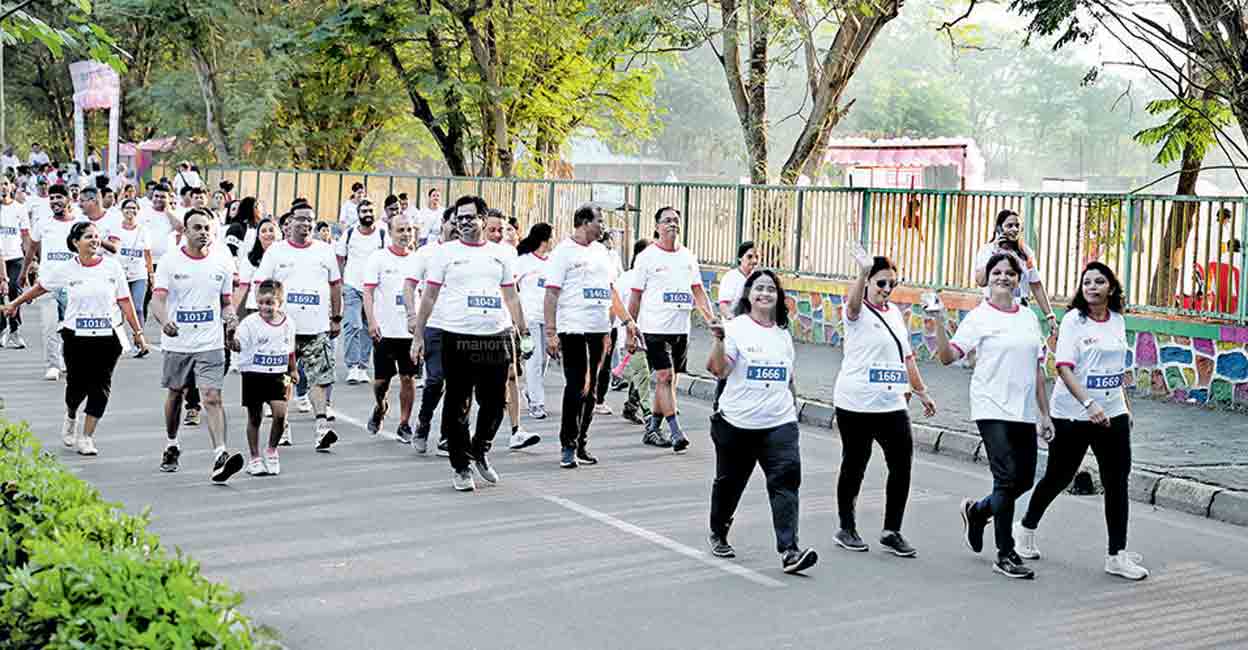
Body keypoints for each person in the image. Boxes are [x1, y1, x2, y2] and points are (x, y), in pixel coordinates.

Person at [1015, 262, 1148, 580]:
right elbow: (1063, 367)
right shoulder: (1074, 321)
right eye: (1086, 282)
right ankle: (1026, 528)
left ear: (1111, 288)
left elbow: (1117, 370)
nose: (1091, 286)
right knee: (1059, 477)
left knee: (1117, 482)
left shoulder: (1117, 320)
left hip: (1111, 412)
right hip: (1073, 414)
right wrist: (1087, 404)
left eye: (1099, 281)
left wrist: (1124, 407)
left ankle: (1116, 554)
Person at [929, 252, 1054, 579]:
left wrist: (1045, 414)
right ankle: (1005, 553)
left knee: (1025, 478)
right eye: (997, 272)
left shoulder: (1027, 317)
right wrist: (939, 322)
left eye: (1010, 273)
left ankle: (978, 510)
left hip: (1023, 409)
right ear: (988, 278)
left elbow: (1038, 368)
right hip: (990, 406)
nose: (1003, 277)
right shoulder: (979, 317)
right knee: (1007, 478)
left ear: (1018, 280)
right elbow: (946, 357)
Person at [407, 195, 527, 491]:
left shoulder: (502, 254)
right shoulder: (445, 253)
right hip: (457, 336)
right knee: (458, 403)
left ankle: (480, 450)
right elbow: (430, 296)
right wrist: (418, 335)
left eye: (469, 217)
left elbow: (510, 294)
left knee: (496, 403)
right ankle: (461, 466)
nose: (463, 223)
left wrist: (521, 328)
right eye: (459, 218)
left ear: (483, 220)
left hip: (495, 336)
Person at [705, 268, 818, 575]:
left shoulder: (783, 334)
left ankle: (790, 551)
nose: (765, 293)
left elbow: (788, 378)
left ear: (779, 297)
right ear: (748, 295)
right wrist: (718, 340)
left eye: (771, 289)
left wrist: (792, 411)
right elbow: (719, 370)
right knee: (729, 484)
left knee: (786, 481)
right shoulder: (735, 328)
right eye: (759, 288)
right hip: (737, 425)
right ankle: (719, 530)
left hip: (779, 424)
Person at [2, 222, 147, 455]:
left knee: (101, 386)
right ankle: (71, 416)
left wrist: (138, 332)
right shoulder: (66, 269)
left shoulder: (112, 268)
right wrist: (14, 304)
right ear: (75, 242)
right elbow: (41, 288)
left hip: (108, 336)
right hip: (75, 336)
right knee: (77, 387)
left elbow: (124, 300)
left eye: (97, 236)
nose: (94, 241)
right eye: (88, 237)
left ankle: (87, 437)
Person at [831, 247, 938, 557]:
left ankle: (892, 530)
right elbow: (852, 305)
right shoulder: (855, 311)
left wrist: (921, 391)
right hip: (856, 403)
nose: (887, 290)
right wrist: (862, 271)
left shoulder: (894, 313)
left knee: (902, 464)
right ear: (867, 282)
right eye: (881, 283)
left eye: (892, 283)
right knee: (855, 464)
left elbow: (906, 355)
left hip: (891, 403)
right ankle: (846, 527)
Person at [151, 208, 246, 483]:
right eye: (197, 228)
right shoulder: (170, 261)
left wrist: (230, 319)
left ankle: (220, 454)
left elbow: (226, 303)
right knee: (175, 394)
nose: (203, 232)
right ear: (185, 231)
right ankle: (171, 443)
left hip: (210, 341)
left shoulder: (221, 263)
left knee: (212, 397)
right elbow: (158, 299)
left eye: (207, 228)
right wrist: (164, 320)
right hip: (178, 342)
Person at [246, 201, 343, 452]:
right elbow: (261, 284)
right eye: (301, 219)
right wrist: (265, 316)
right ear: (289, 224)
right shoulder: (276, 252)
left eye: (311, 219)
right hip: (282, 328)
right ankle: (283, 425)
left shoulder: (324, 250)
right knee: (283, 378)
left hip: (317, 327)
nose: (307, 224)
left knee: (319, 378)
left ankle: (321, 429)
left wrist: (337, 317)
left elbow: (335, 285)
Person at [545, 204, 636, 468]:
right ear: (584, 222)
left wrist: (628, 321)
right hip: (573, 328)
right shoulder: (563, 252)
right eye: (600, 221)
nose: (603, 226)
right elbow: (551, 293)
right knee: (577, 386)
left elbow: (611, 292)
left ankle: (581, 441)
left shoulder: (603, 253)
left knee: (592, 390)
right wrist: (551, 332)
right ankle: (567, 444)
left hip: (600, 329)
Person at [627, 206, 717, 453]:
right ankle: (676, 432)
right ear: (657, 227)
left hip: (681, 329)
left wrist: (710, 319)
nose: (672, 224)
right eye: (667, 220)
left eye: (676, 220)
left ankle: (652, 428)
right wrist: (630, 328)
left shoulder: (688, 256)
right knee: (664, 377)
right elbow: (635, 296)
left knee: (669, 381)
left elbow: (698, 291)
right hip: (654, 328)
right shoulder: (646, 257)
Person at [484, 209, 539, 451]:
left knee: (512, 376)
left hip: (504, 326)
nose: (497, 235)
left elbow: (512, 295)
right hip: (475, 329)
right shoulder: (470, 252)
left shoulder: (508, 253)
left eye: (501, 230)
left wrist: (522, 328)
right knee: (481, 387)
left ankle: (516, 430)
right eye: (492, 230)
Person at [362, 211, 420, 442]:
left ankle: (405, 423)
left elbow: (424, 293)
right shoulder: (378, 258)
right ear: (391, 233)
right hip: (384, 330)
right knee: (381, 382)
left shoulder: (418, 259)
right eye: (400, 230)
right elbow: (368, 292)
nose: (405, 234)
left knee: (408, 378)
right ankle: (380, 406)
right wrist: (372, 321)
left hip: (409, 332)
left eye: (409, 230)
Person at [229, 280, 296, 476]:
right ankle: (255, 457)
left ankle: (272, 450)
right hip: (254, 373)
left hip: (279, 374)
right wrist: (230, 339)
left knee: (280, 414)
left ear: (279, 302)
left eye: (270, 303)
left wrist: (293, 370)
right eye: (262, 303)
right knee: (255, 417)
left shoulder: (288, 324)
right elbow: (237, 346)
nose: (265, 307)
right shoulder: (250, 323)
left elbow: (290, 350)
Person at [403, 207, 456, 454]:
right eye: (453, 222)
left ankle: (447, 435)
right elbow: (409, 285)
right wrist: (413, 317)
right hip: (434, 324)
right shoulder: (426, 253)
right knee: (436, 379)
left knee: (457, 384)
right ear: (443, 223)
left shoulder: (471, 253)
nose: (457, 227)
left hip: (462, 327)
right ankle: (423, 423)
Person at [20, 184, 82, 381]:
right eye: (52, 198)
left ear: (68, 200)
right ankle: (53, 365)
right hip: (47, 283)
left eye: (59, 197)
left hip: (74, 283)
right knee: (49, 325)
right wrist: (24, 272)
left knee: (71, 327)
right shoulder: (42, 223)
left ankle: (68, 359)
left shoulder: (79, 224)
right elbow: (31, 249)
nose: (55, 201)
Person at [975, 209, 1056, 332]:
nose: (1014, 229)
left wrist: (1049, 315)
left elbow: (1036, 285)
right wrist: (995, 252)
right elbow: (981, 281)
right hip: (995, 310)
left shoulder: (1026, 253)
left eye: (1017, 225)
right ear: (999, 228)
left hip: (1020, 309)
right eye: (1009, 225)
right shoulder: (987, 250)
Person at [336, 199, 387, 385]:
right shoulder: (350, 233)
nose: (367, 214)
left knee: (368, 327)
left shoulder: (382, 234)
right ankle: (352, 367)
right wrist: (341, 281)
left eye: (370, 211)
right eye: (364, 211)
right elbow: (340, 257)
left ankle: (363, 367)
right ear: (358, 214)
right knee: (352, 324)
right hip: (352, 286)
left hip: (374, 289)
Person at [515, 222, 553, 420]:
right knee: (534, 359)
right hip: (528, 318)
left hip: (547, 318)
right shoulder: (524, 261)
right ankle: (537, 403)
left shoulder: (551, 262)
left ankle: (531, 390)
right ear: (543, 240)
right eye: (550, 238)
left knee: (545, 359)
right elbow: (511, 287)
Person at [713, 241, 758, 408]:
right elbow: (723, 304)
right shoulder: (731, 277)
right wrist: (732, 321)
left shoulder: (757, 279)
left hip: (752, 332)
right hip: (733, 332)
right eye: (749, 256)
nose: (753, 261)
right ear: (740, 258)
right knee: (727, 368)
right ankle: (718, 405)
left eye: (756, 257)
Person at [616, 239, 655, 431]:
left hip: (650, 331)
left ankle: (631, 406)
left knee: (645, 372)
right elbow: (615, 304)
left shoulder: (653, 278)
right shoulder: (627, 278)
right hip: (629, 333)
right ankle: (649, 415)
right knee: (643, 373)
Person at [104, 198, 154, 330]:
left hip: (139, 274)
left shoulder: (144, 230)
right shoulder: (115, 229)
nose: (130, 211)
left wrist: (151, 274)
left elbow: (147, 254)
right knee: (118, 309)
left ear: (138, 211)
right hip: (119, 274)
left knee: (138, 308)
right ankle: (119, 340)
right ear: (122, 210)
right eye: (127, 208)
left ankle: (139, 338)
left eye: (134, 208)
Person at [0, 177, 29, 349]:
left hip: (16, 256)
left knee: (14, 293)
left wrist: (30, 259)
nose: (2, 187)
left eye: (4, 183)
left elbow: (25, 236)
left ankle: (14, 330)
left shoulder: (20, 209)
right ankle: (2, 329)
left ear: (11, 186)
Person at [234, 218, 280, 318]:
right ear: (258, 236)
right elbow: (242, 287)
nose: (268, 234)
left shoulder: (285, 256)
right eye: (263, 231)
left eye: (271, 230)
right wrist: (233, 314)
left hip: (279, 308)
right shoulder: (250, 259)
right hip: (255, 308)